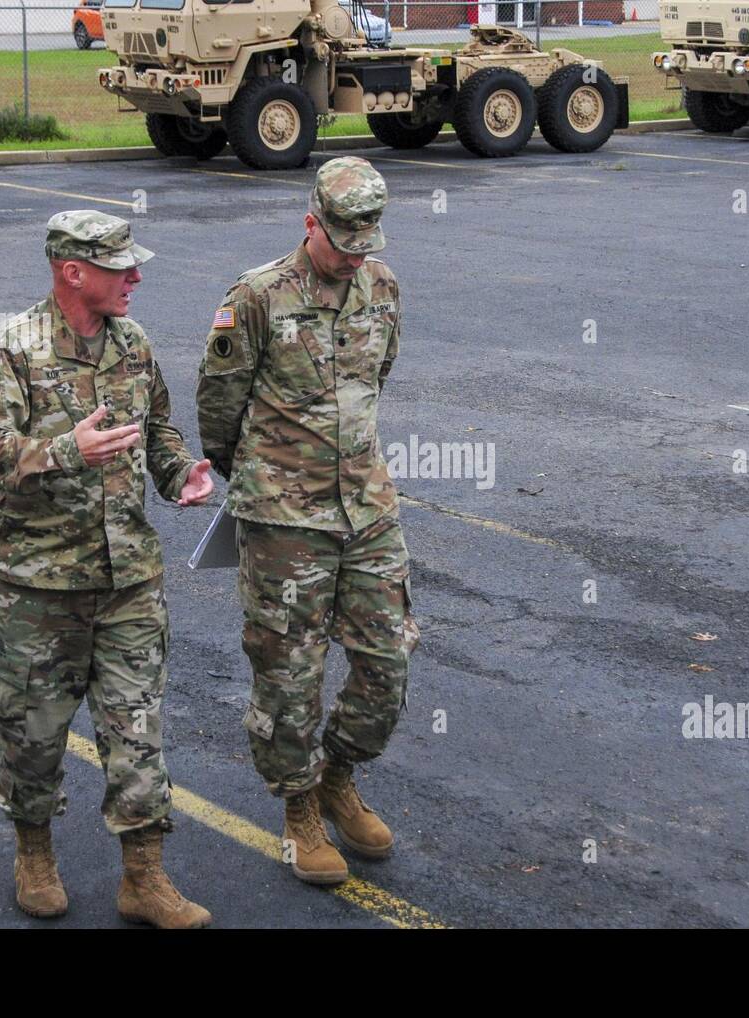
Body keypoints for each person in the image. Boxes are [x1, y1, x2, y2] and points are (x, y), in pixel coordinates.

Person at [0, 210, 214, 927]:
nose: (135, 277)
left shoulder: (132, 343)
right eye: (120, 266)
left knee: (137, 730)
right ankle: (34, 852)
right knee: (33, 736)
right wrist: (67, 449)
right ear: (74, 272)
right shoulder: (11, 348)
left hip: (128, 580)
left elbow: (157, 423)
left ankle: (144, 877)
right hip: (34, 588)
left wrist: (176, 474)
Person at [196, 157, 419, 885]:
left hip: (367, 507)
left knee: (388, 662)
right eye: (341, 240)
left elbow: (377, 378)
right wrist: (264, 484)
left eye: (365, 242)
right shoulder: (256, 296)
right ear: (310, 223)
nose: (353, 255)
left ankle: (339, 775)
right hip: (285, 518)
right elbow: (219, 410)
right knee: (289, 676)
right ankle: (297, 810)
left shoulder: (382, 287)